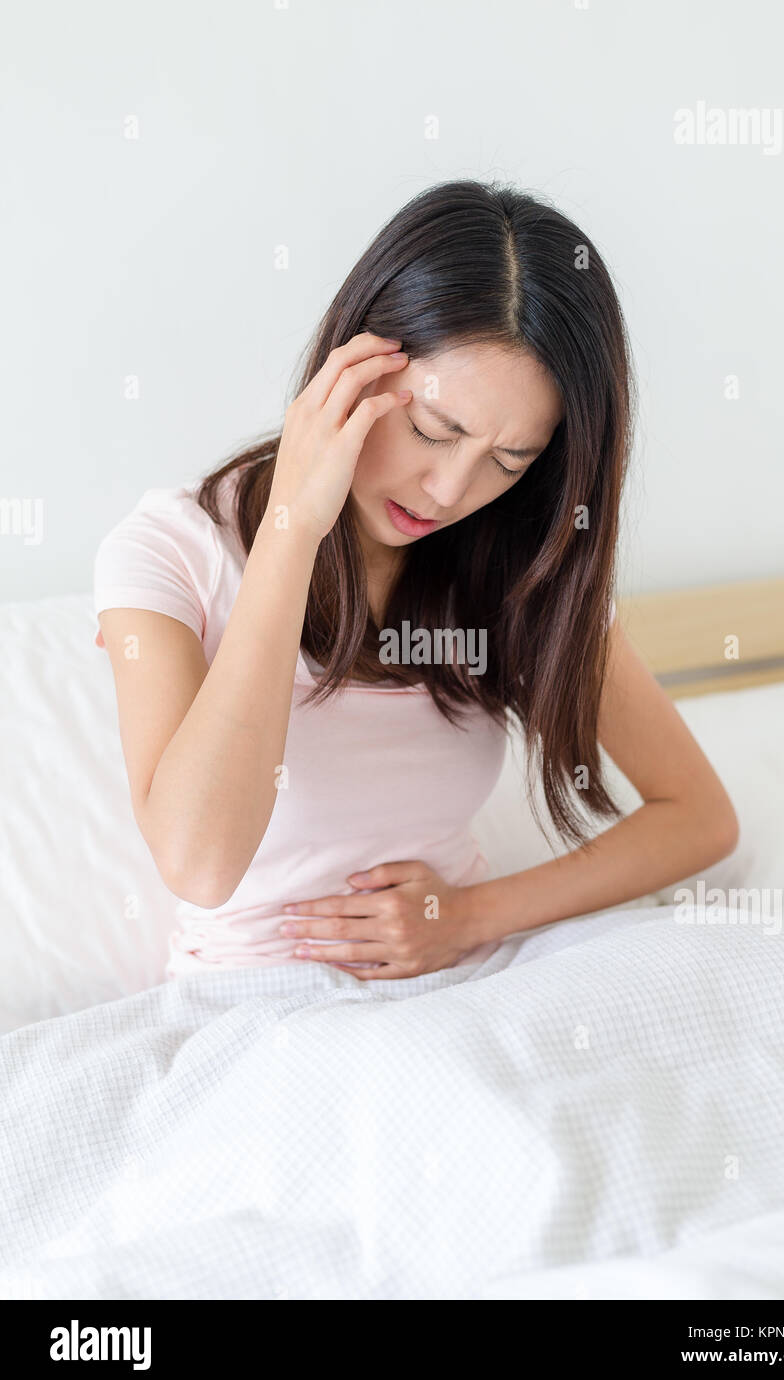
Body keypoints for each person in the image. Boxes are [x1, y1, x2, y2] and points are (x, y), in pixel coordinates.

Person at [93, 178, 738, 981]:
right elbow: (201, 864)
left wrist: (468, 916)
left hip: (469, 986)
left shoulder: (516, 563)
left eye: (508, 461)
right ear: (353, 365)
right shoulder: (169, 553)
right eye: (433, 429)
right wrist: (295, 527)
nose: (449, 492)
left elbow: (700, 818)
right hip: (256, 1015)